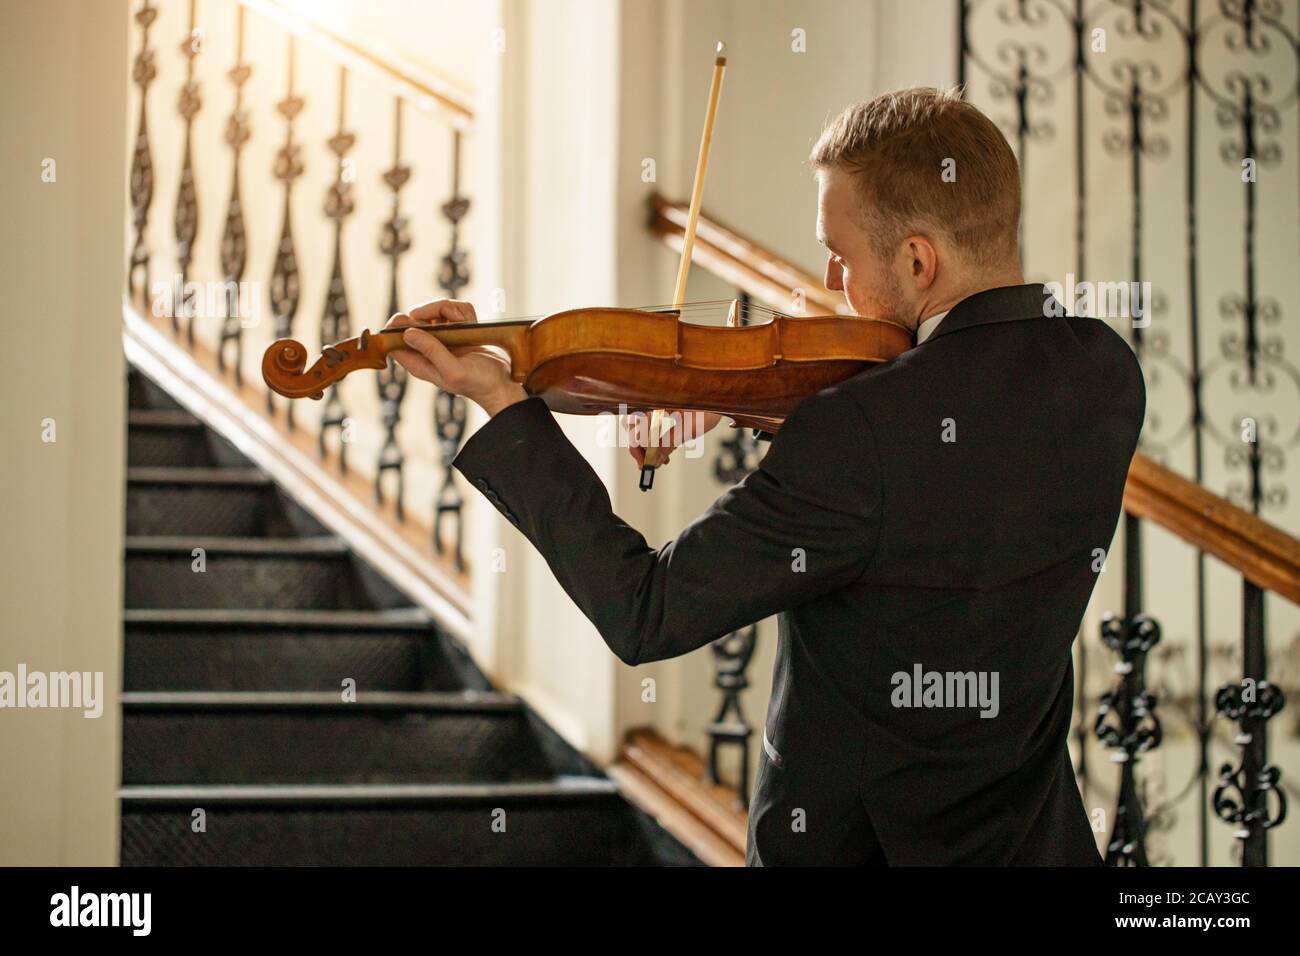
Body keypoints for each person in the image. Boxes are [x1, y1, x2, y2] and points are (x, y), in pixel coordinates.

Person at [385, 87, 1145, 865]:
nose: (830, 274)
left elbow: (646, 611)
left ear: (919, 259)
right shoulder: (1104, 375)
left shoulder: (855, 431)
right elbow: (947, 458)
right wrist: (739, 398)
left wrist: (502, 400)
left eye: (841, 255)